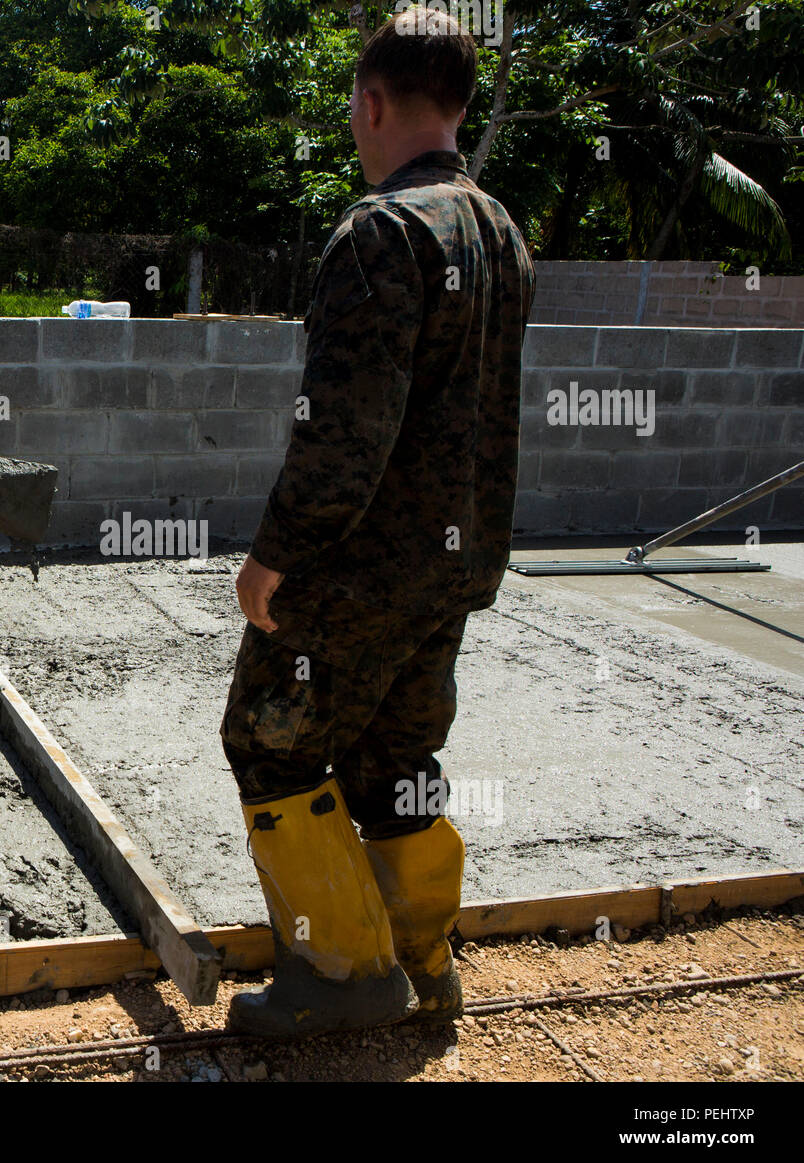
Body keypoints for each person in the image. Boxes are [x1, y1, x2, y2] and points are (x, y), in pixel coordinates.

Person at [220, 7, 536, 1036]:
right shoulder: (500, 232)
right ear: (456, 105)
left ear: (370, 102)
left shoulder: (380, 232)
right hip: (453, 570)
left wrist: (275, 554)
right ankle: (425, 959)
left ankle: (338, 975)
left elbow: (344, 433)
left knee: (269, 744)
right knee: (395, 761)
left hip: (361, 572)